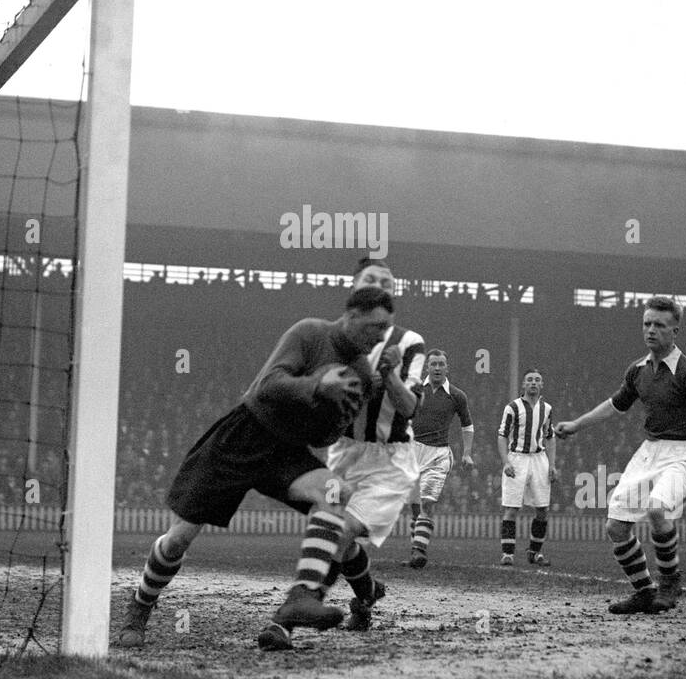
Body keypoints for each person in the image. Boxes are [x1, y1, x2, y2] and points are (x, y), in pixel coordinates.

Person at [116, 286, 393, 648]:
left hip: (286, 450)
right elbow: (267, 386)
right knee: (178, 539)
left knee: (335, 494)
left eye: (386, 329)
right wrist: (316, 386)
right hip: (244, 434)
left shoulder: (360, 372)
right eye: (375, 326)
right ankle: (139, 607)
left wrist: (338, 409)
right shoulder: (310, 332)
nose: (380, 337)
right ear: (352, 315)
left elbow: (324, 439)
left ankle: (302, 597)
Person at [257, 258, 426, 650]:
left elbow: (409, 408)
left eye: (387, 280)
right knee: (340, 538)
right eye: (371, 278)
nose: (379, 283)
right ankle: (366, 593)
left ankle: (287, 620)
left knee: (341, 530)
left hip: (389, 461)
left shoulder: (409, 342)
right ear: (354, 288)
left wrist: (391, 374)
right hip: (344, 453)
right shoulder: (331, 339)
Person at [553, 295, 686, 614]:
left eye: (659, 325)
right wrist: (577, 425)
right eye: (647, 324)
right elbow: (614, 405)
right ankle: (644, 592)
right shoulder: (637, 370)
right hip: (648, 452)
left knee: (657, 510)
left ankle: (670, 582)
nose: (651, 330)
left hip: (682, 454)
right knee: (615, 526)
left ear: (675, 331)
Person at [403, 349, 474, 568]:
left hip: (438, 455)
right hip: (411, 453)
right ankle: (416, 548)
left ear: (446, 368)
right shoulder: (413, 390)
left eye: (441, 364)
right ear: (427, 367)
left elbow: (467, 425)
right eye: (433, 364)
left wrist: (467, 453)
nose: (437, 368)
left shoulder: (457, 396)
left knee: (427, 502)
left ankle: (419, 551)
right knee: (415, 506)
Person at [496, 369, 557, 565]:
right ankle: (508, 554)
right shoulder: (512, 407)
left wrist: (552, 465)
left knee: (542, 509)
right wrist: (506, 462)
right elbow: (502, 436)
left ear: (542, 385)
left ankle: (535, 552)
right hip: (517, 459)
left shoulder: (547, 409)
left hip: (539, 459)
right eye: (529, 380)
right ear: (523, 384)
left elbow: (550, 437)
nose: (533, 383)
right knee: (512, 507)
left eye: (537, 380)